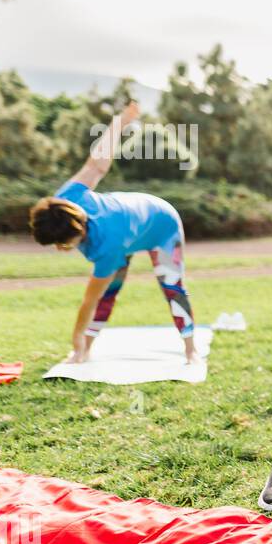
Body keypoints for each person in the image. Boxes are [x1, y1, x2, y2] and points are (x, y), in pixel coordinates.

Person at [28, 102, 198, 364]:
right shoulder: (65, 199)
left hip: (162, 223)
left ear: (78, 230)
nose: (61, 248)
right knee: (110, 291)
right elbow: (97, 164)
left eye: (63, 243)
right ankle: (87, 350)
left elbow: (89, 300)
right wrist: (118, 123)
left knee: (172, 286)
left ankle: (191, 350)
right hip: (129, 227)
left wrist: (76, 339)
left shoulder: (106, 246)